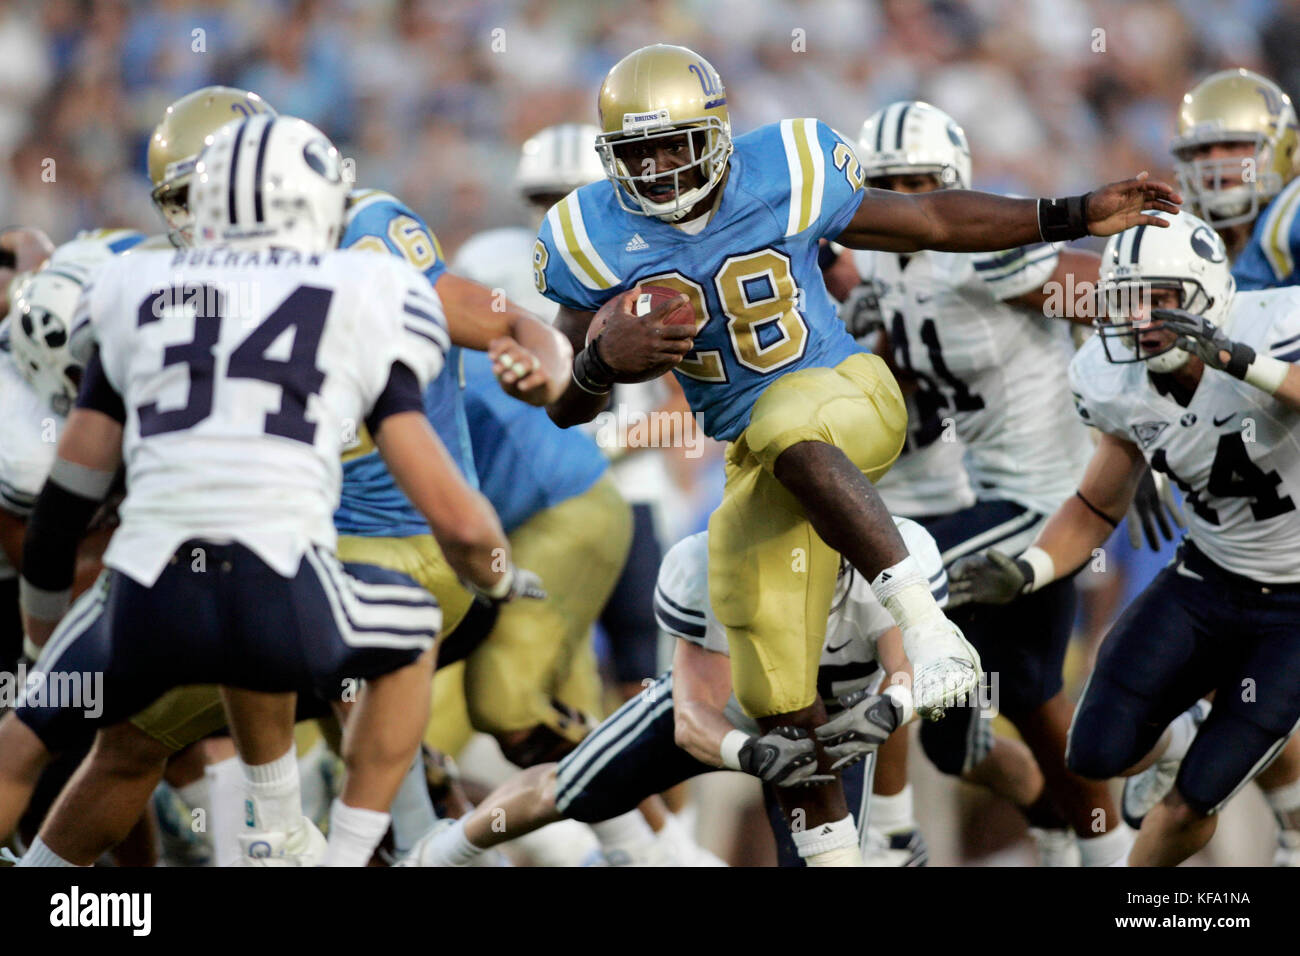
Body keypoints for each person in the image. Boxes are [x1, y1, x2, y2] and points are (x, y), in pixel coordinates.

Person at [534, 43, 1180, 865]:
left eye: (675, 144)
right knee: (776, 685)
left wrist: (1080, 213)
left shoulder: (791, 170)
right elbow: (566, 406)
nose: (659, 168)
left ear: (718, 134)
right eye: (640, 151)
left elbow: (944, 224)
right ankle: (854, 854)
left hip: (845, 397)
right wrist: (597, 362)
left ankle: (927, 641)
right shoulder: (587, 236)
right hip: (768, 463)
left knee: (786, 423)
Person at [10, 115, 534, 868]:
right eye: (175, 197)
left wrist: (41, 645)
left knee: (63, 742)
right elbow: (446, 500)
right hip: (291, 566)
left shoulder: (134, 284)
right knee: (377, 647)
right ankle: (328, 850)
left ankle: (267, 837)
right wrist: (494, 566)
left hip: (153, 580)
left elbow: (63, 502)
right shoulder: (357, 288)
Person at [949, 211, 1300, 866]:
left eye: (1161, 299)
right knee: (1096, 752)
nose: (1143, 318)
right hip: (1210, 579)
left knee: (1197, 798)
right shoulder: (1113, 381)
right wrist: (1027, 569)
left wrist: (1242, 364)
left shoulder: (1275, 324)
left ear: (1207, 294)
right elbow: (1093, 506)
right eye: (1129, 300)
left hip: (1293, 607)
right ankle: (1180, 735)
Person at [831, 100, 1129, 866]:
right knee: (991, 722)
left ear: (954, 184)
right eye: (890, 184)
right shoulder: (877, 265)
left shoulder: (983, 252)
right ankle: (1076, 837)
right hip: (980, 499)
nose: (909, 198)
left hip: (1041, 501)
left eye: (923, 181)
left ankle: (891, 837)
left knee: (884, 580)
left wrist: (1134, 433)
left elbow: (1128, 300)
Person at [400, 515, 941, 868]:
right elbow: (692, 716)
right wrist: (751, 751)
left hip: (830, 732)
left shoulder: (887, 556)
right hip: (724, 714)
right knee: (563, 791)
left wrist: (889, 709)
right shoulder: (709, 563)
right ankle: (436, 855)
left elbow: (911, 667)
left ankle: (895, 839)